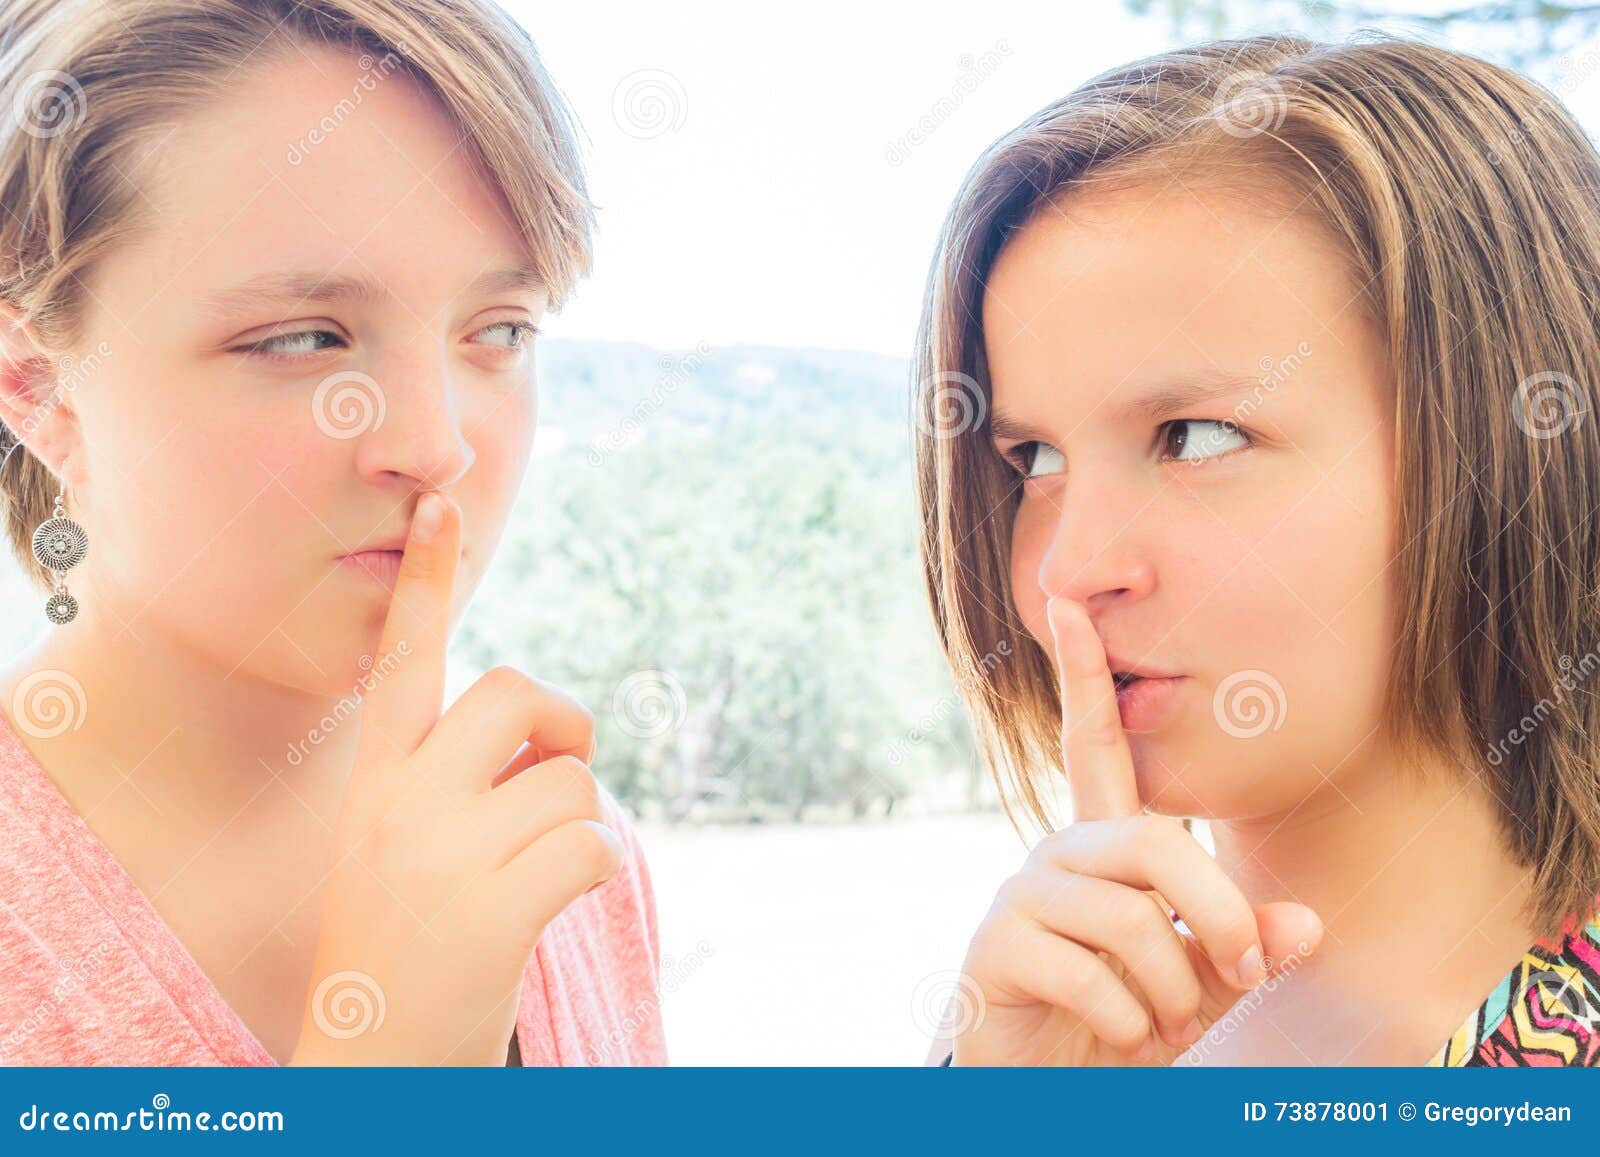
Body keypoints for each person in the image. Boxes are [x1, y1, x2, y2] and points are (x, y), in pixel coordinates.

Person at [913, 33, 1600, 1066]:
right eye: (1033, 459)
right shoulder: (1031, 1034)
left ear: (1509, 450)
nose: (1066, 568)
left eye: (1194, 436)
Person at [0, 0, 664, 1066]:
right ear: (38, 384)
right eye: (302, 338)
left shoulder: (565, 858)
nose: (433, 442)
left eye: (498, 330)